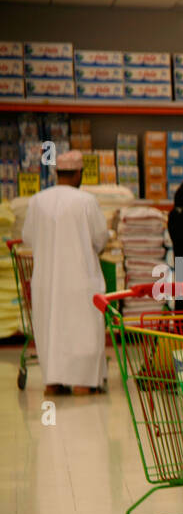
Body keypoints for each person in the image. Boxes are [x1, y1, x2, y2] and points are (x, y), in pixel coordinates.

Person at [21, 149, 110, 396]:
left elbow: (28, 237)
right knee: (82, 330)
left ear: (57, 173)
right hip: (80, 280)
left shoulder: (38, 201)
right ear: (79, 173)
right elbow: (100, 238)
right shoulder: (86, 202)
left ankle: (53, 382)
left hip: (47, 281)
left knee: (51, 328)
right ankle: (82, 384)